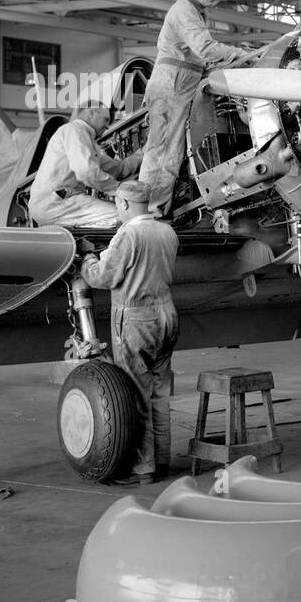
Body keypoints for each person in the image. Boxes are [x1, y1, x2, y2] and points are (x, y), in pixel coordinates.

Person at [78, 180, 180, 485]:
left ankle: (143, 468)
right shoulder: (167, 232)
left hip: (137, 320)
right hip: (168, 316)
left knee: (137, 396)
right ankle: (161, 461)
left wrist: (87, 257)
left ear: (122, 204)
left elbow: (102, 277)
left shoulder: (128, 234)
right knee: (160, 394)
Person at [137, 0, 258, 216]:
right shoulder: (184, 10)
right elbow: (205, 48)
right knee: (164, 153)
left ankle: (154, 210)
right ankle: (148, 214)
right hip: (173, 83)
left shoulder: (196, 11)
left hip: (181, 82)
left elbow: (201, 57)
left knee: (171, 151)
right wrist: (244, 55)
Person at [29, 101, 139, 228]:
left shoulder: (86, 142)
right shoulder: (75, 130)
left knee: (119, 218)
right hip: (56, 203)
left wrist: (140, 157)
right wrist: (120, 191)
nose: (108, 125)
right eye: (106, 119)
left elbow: (117, 168)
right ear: (91, 114)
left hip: (56, 203)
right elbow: (86, 172)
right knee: (126, 217)